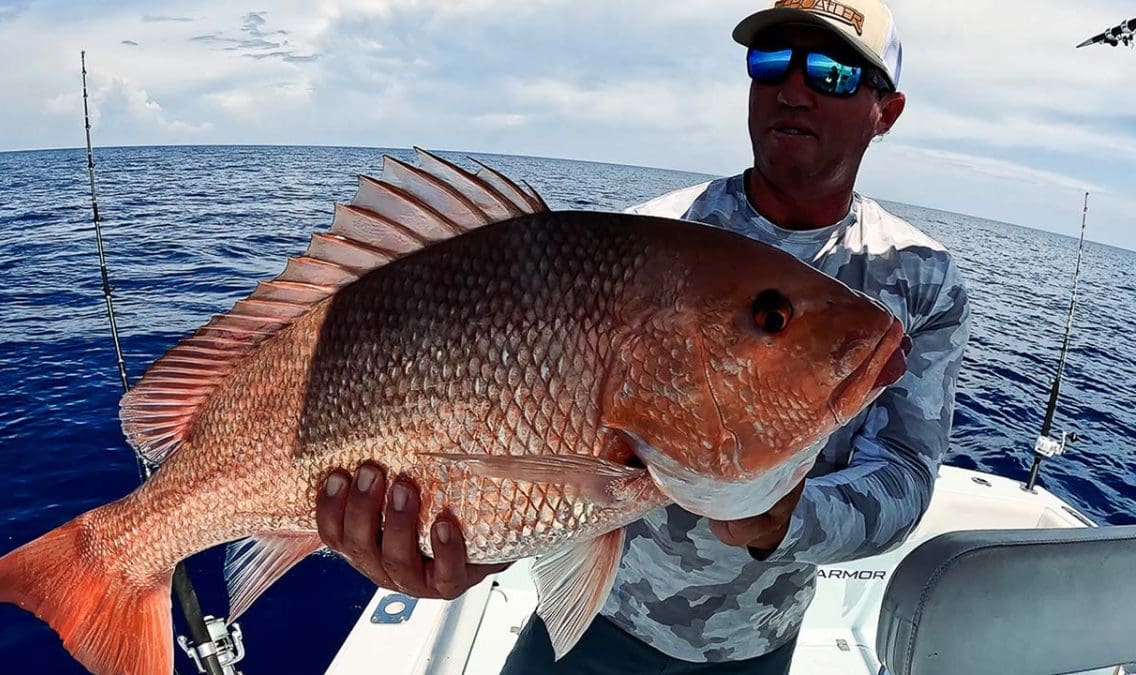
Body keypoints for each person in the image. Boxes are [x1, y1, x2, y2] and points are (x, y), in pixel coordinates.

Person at [314, 0, 972, 672]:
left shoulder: (919, 280)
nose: (793, 87)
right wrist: (466, 542)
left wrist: (789, 516)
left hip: (756, 645)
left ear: (885, 112)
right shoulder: (648, 235)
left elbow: (905, 474)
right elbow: (539, 425)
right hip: (598, 620)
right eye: (771, 61)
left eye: (832, 71)